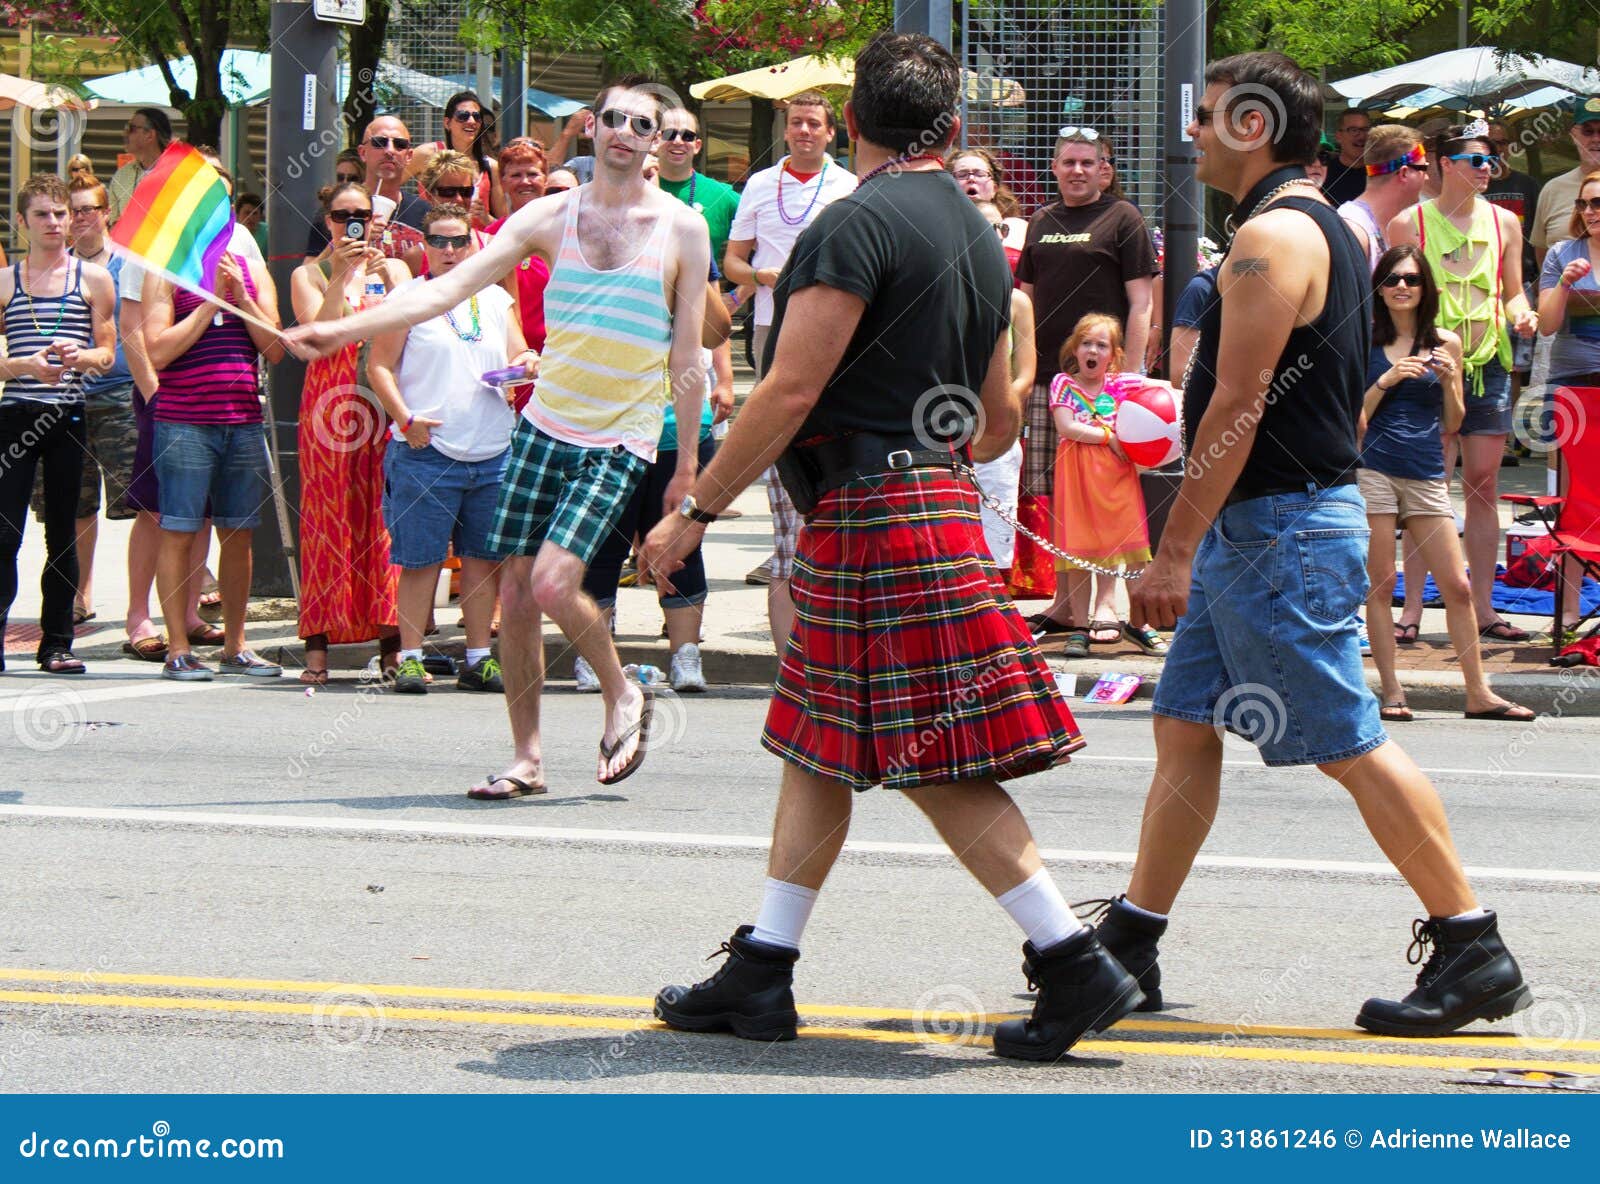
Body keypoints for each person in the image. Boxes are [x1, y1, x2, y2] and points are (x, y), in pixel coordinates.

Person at [641, 31, 1139, 1062]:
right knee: (818, 735)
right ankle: (763, 967)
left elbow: (789, 386)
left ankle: (1070, 955)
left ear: (853, 124)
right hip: (932, 495)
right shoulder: (974, 231)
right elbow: (996, 423)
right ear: (951, 130)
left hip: (876, 509)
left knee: (924, 752)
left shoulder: (853, 222)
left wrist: (693, 507)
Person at [1096, 51, 1531, 1038]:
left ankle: (1472, 945)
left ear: (1250, 127)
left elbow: (1242, 403)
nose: (1193, 133)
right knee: (1184, 722)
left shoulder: (1272, 236)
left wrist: (1172, 549)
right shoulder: (1312, 223)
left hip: (1277, 526)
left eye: (1206, 117)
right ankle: (1133, 935)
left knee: (1347, 740)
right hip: (1263, 524)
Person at [285, 74, 714, 793]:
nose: (622, 131)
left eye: (641, 125)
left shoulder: (684, 228)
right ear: (592, 127)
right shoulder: (551, 216)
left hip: (621, 437)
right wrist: (337, 329)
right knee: (514, 594)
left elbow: (687, 354)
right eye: (611, 117)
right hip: (544, 425)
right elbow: (444, 288)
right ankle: (528, 759)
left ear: (655, 144)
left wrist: (687, 466)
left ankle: (622, 690)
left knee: (550, 581)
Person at [1360, 246, 1533, 723]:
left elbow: (1453, 422)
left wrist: (1453, 383)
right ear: (1379, 287)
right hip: (1372, 467)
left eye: (1411, 280)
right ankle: (1392, 691)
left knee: (1457, 586)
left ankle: (1478, 693)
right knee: (1381, 584)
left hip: (1425, 471)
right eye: (1392, 279)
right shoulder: (1364, 341)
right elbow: (1352, 421)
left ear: (1426, 289)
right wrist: (1386, 381)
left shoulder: (1444, 342)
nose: (1401, 287)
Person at [365, 204, 531, 698]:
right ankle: (411, 657)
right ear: (424, 247)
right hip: (426, 450)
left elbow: (518, 355)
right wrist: (405, 419)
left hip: (492, 449)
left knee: (482, 561)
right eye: (438, 241)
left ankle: (478, 657)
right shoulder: (408, 299)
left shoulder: (496, 300)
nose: (449, 251)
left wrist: (525, 366)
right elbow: (379, 367)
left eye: (458, 241)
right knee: (421, 561)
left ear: (475, 246)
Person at [1389, 123, 1540, 644]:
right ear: (1444, 164)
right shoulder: (1411, 222)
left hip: (1490, 362)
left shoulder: (1505, 223)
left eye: (1491, 160)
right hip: (1431, 365)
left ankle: (1483, 608)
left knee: (1483, 483)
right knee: (1428, 487)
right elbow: (1397, 297)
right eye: (1476, 160)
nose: (1487, 168)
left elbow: (1514, 292)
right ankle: (1410, 609)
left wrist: (1525, 317)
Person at [723, 90, 857, 648]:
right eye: (795, 122)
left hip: (832, 329)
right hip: (770, 326)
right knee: (781, 423)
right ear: (786, 130)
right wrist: (764, 278)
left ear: (831, 134)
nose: (804, 131)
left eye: (813, 124)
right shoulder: (759, 184)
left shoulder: (848, 187)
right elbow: (732, 260)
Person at [1015, 126, 1157, 621]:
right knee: (1053, 490)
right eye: (1068, 162)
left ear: (1105, 171)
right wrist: (1020, 365)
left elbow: (1142, 302)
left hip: (1104, 382)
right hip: (1048, 380)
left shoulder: (1124, 218)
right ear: (1054, 168)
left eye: (1087, 163)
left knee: (1104, 490)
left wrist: (1132, 376)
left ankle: (1106, 605)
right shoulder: (1040, 220)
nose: (1076, 171)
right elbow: (1025, 300)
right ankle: (1064, 604)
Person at [142, 210, 286, 681]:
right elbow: (157, 350)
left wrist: (241, 298)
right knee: (179, 532)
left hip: (241, 421)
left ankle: (235, 645)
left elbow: (276, 348)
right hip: (184, 423)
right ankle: (178, 649)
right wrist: (208, 304)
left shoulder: (249, 267)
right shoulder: (165, 271)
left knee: (239, 534)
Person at [290, 181, 410, 684]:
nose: (352, 223)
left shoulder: (397, 269)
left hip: (380, 400)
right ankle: (318, 643)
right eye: (342, 216)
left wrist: (392, 281)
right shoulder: (308, 273)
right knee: (328, 517)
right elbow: (318, 333)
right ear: (329, 219)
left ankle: (391, 640)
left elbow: (413, 323)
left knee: (382, 521)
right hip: (330, 405)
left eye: (361, 214)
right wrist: (340, 276)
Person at [0, 175, 116, 674]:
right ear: (23, 222)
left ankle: (57, 643)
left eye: (61, 214)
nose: (54, 223)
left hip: (67, 414)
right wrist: (25, 365)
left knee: (63, 532)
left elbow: (108, 355)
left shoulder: (93, 279)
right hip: (15, 415)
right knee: (6, 533)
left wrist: (80, 355)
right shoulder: (7, 282)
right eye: (43, 215)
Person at [31, 178, 140, 632]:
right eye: (70, 210)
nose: (78, 218)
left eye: (87, 209)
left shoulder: (128, 265)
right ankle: (80, 594)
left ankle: (143, 609)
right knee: (74, 506)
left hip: (120, 394)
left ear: (106, 211)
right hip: (65, 398)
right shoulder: (58, 267)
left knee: (142, 501)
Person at [1046, 314, 1161, 659]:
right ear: (1075, 349)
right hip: (1077, 476)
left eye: (1101, 344)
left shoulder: (1122, 384)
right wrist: (1109, 437)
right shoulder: (1063, 383)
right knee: (1079, 553)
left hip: (1118, 477)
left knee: (1130, 549)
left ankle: (1140, 624)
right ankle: (1080, 626)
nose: (1092, 350)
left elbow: (1162, 396)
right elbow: (1066, 427)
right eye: (1086, 343)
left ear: (1114, 354)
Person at [1536, 168, 1600, 632]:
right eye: (1585, 204)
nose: (1591, 212)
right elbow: (1546, 325)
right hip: (1573, 383)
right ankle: (1571, 611)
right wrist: (1563, 285)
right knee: (1574, 496)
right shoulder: (1562, 252)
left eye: (1599, 204)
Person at [657, 104, 739, 423]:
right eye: (668, 134)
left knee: (691, 439)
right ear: (654, 140)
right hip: (644, 337)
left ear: (698, 145)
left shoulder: (722, 195)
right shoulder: (634, 191)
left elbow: (765, 246)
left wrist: (740, 294)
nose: (678, 141)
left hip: (698, 332)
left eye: (687, 135)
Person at [970, 199, 1033, 580]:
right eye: (981, 227)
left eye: (998, 228)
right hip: (946, 434)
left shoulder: (1018, 301)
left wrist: (997, 412)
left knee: (996, 536)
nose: (991, 235)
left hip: (999, 435)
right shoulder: (940, 292)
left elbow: (1025, 372)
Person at [305, 117, 429, 261]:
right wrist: (345, 240)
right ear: (363, 153)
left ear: (409, 156)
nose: (389, 151)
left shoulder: (424, 212)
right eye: (379, 143)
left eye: (399, 144)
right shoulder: (337, 211)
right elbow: (309, 274)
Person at [1337, 125, 1428, 272]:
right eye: (1423, 169)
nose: (1427, 177)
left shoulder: (1396, 226)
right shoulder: (1354, 227)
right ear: (1404, 173)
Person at [409, 91, 503, 226]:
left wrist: (486, 218)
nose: (471, 121)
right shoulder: (427, 154)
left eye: (476, 117)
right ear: (447, 123)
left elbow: (503, 224)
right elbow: (390, 185)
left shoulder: (490, 166)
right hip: (433, 241)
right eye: (463, 116)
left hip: (476, 244)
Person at [1531, 97, 1600, 262]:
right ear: (1573, 135)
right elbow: (1541, 253)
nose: (1596, 139)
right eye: (1588, 131)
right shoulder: (1552, 189)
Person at [947, 146, 1028, 266]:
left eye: (980, 174)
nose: (971, 178)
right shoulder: (941, 229)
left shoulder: (1018, 228)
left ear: (994, 188)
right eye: (962, 174)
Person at [107, 107, 171, 225]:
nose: (125, 133)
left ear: (150, 135)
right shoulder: (121, 176)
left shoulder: (179, 173)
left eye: (131, 129)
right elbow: (114, 224)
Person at [1320, 108, 1371, 206]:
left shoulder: (1381, 173)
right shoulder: (1323, 174)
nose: (1361, 137)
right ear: (1338, 136)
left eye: (1365, 130)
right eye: (1353, 130)